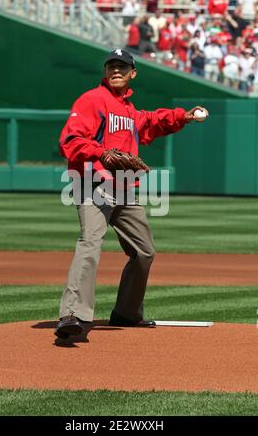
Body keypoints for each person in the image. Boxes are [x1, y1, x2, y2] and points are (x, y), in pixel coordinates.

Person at [55, 48, 208, 339]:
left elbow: (150, 121)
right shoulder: (92, 100)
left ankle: (126, 312)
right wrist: (103, 152)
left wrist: (183, 118)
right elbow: (70, 140)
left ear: (132, 74)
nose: (116, 71)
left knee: (144, 252)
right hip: (93, 183)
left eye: (122, 67)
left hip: (125, 188)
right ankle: (72, 315)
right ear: (104, 72)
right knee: (90, 243)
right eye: (111, 66)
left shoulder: (127, 109)